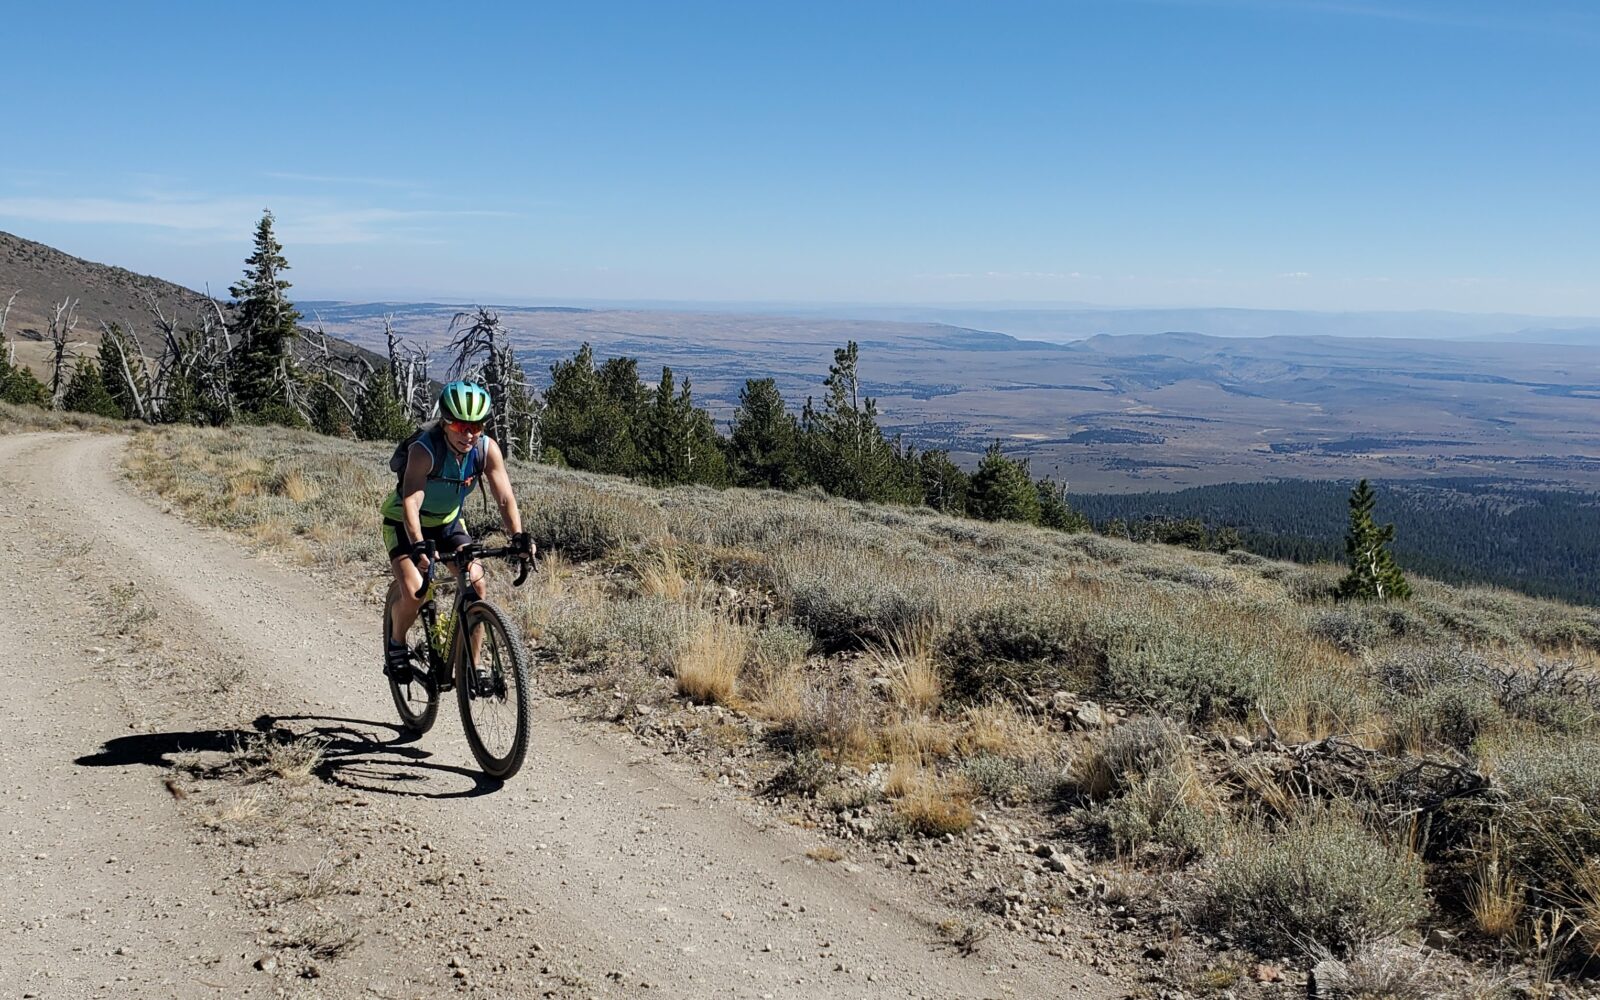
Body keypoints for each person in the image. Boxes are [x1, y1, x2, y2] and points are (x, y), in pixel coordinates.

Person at [381, 380, 533, 678]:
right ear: (445, 423)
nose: (469, 434)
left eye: (476, 426)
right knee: (415, 592)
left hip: (448, 523)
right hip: (404, 523)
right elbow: (411, 501)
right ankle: (397, 644)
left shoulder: (486, 450)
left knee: (476, 584)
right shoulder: (424, 450)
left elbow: (504, 496)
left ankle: (470, 670)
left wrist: (517, 536)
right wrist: (418, 544)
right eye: (461, 426)